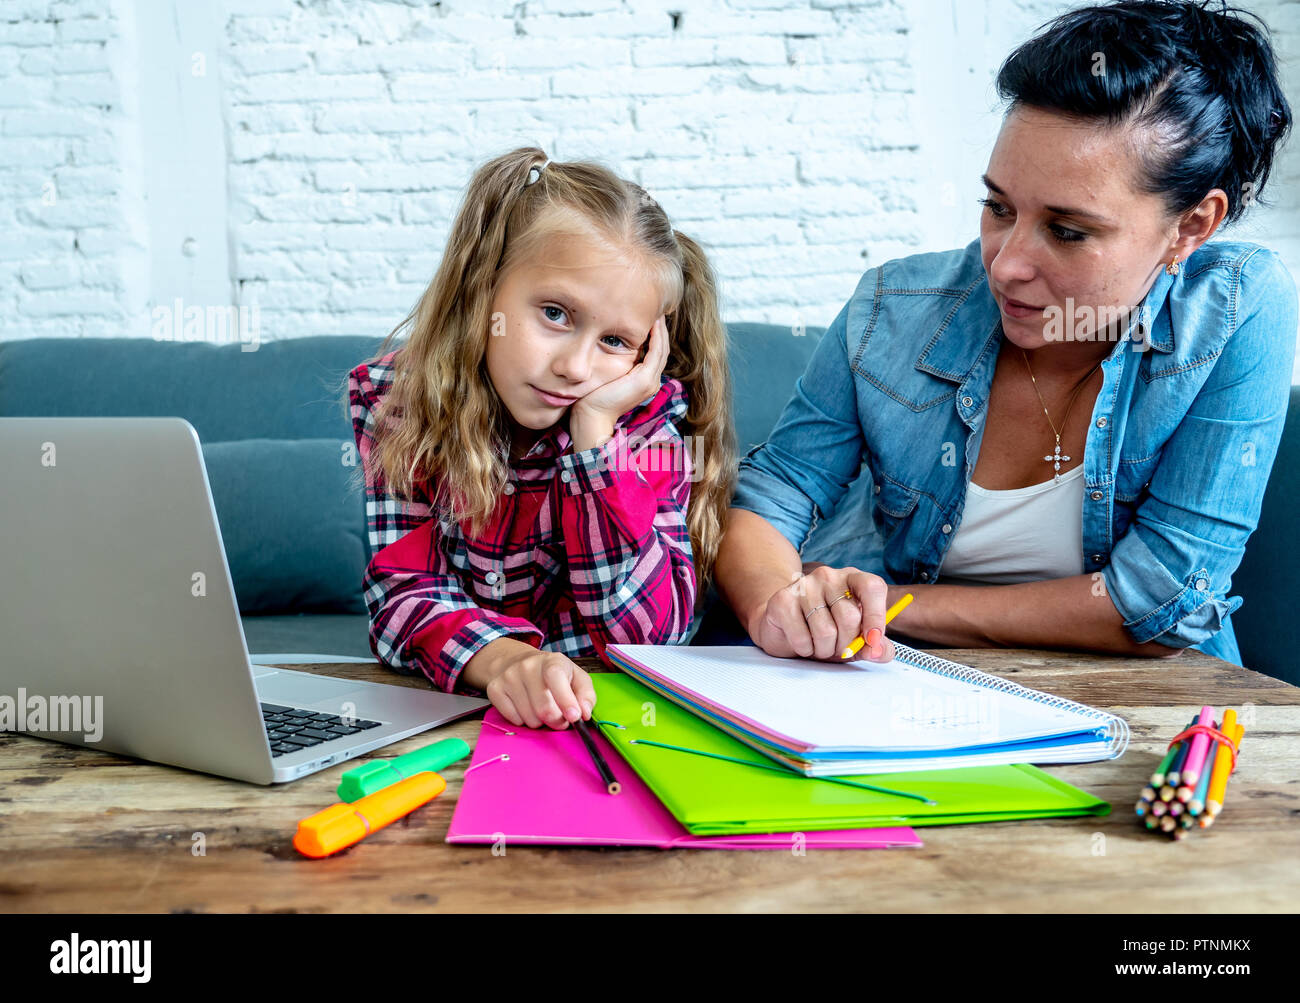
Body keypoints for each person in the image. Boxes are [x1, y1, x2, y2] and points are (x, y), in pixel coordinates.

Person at [715, 0, 1296, 667]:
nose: (1007, 263)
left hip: (1149, 708)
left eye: (1068, 230)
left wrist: (892, 607)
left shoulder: (1236, 308)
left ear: (1191, 227)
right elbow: (773, 491)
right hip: (894, 686)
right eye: (998, 207)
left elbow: (1163, 595)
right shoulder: (893, 309)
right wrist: (775, 604)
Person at [347, 147, 736, 728]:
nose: (576, 368)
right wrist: (504, 660)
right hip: (471, 710)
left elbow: (651, 636)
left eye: (615, 341)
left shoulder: (646, 423)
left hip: (612, 720)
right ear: (484, 287)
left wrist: (596, 445)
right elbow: (402, 590)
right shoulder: (403, 403)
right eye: (555, 313)